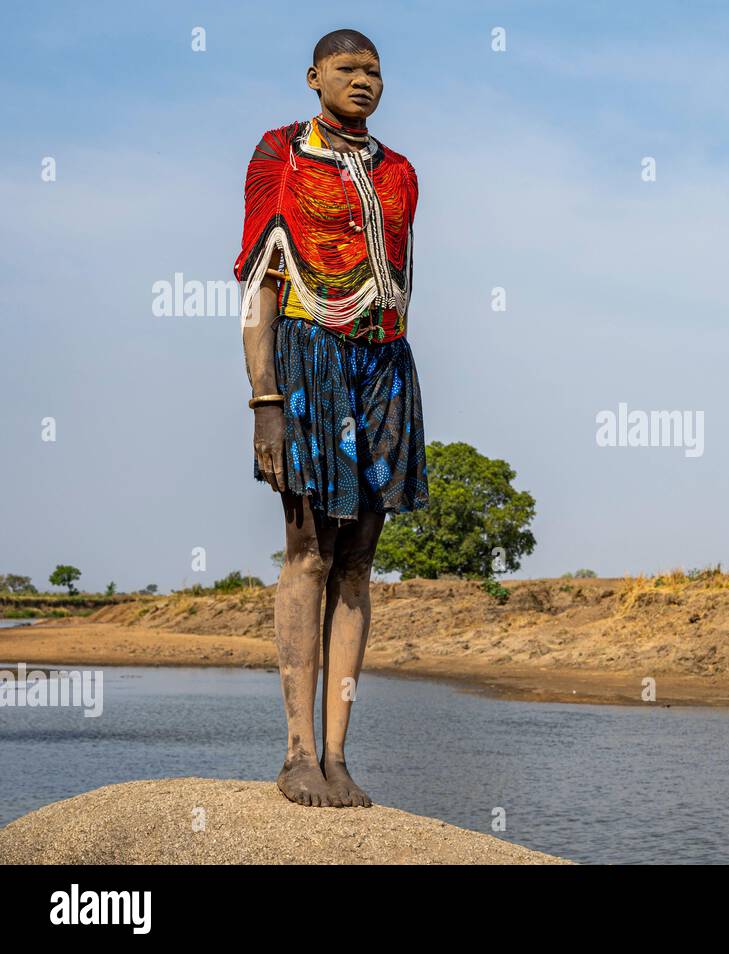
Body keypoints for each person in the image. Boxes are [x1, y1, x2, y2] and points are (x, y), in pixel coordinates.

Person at [233, 29, 427, 808]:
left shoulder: (401, 172)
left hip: (383, 363)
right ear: (314, 77)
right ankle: (296, 752)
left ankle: (340, 754)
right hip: (308, 358)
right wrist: (265, 400)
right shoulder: (279, 155)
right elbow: (259, 289)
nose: (363, 80)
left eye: (375, 71)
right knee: (308, 548)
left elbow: (401, 278)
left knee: (358, 559)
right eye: (348, 69)